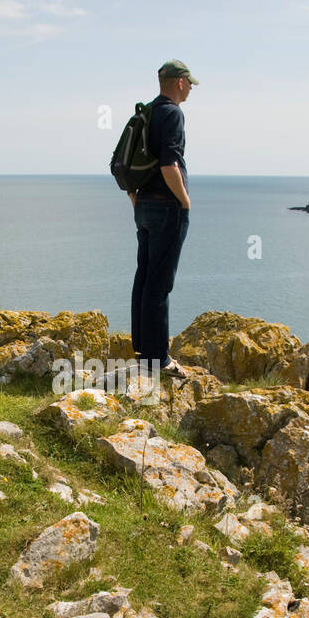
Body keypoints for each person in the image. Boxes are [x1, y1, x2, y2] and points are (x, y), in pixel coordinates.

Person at [129, 59, 198, 378]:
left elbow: (128, 162)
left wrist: (136, 199)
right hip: (166, 206)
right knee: (160, 283)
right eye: (190, 85)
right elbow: (169, 165)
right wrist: (183, 201)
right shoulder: (172, 113)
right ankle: (158, 359)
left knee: (144, 277)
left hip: (143, 204)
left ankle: (143, 351)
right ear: (180, 83)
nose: (190, 91)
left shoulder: (145, 112)